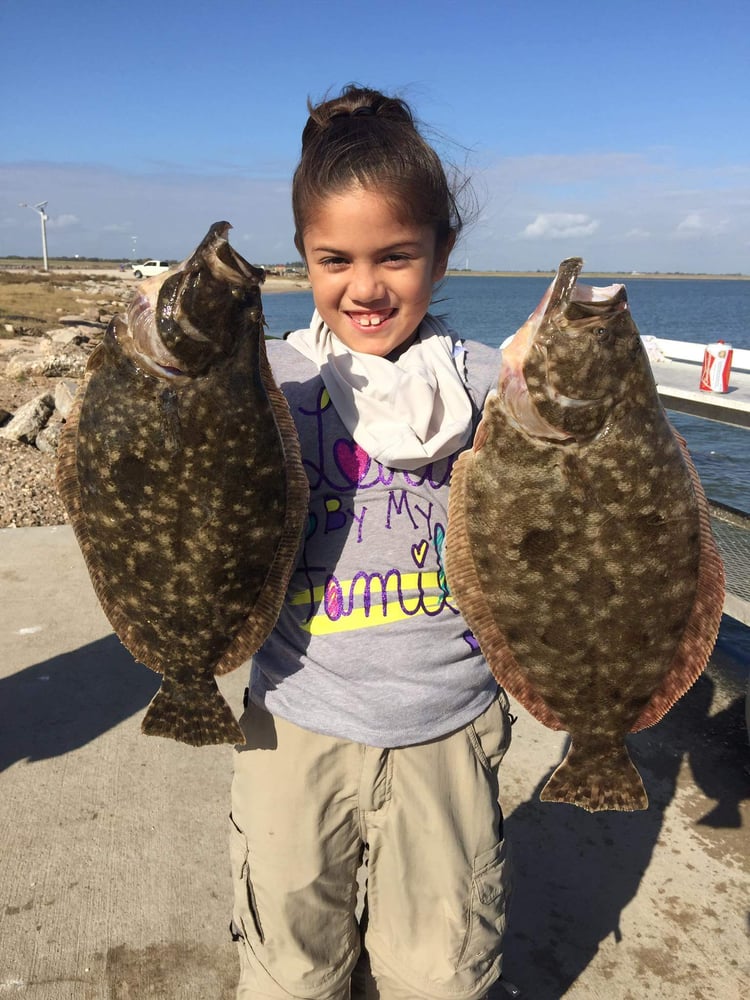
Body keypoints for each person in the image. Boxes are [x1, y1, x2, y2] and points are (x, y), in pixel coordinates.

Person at [229, 84, 517, 1000]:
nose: (365, 287)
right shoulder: (267, 380)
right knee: (291, 968)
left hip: (449, 725)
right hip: (295, 718)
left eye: (396, 256)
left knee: (440, 971)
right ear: (303, 258)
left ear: (443, 253)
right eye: (335, 260)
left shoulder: (493, 388)